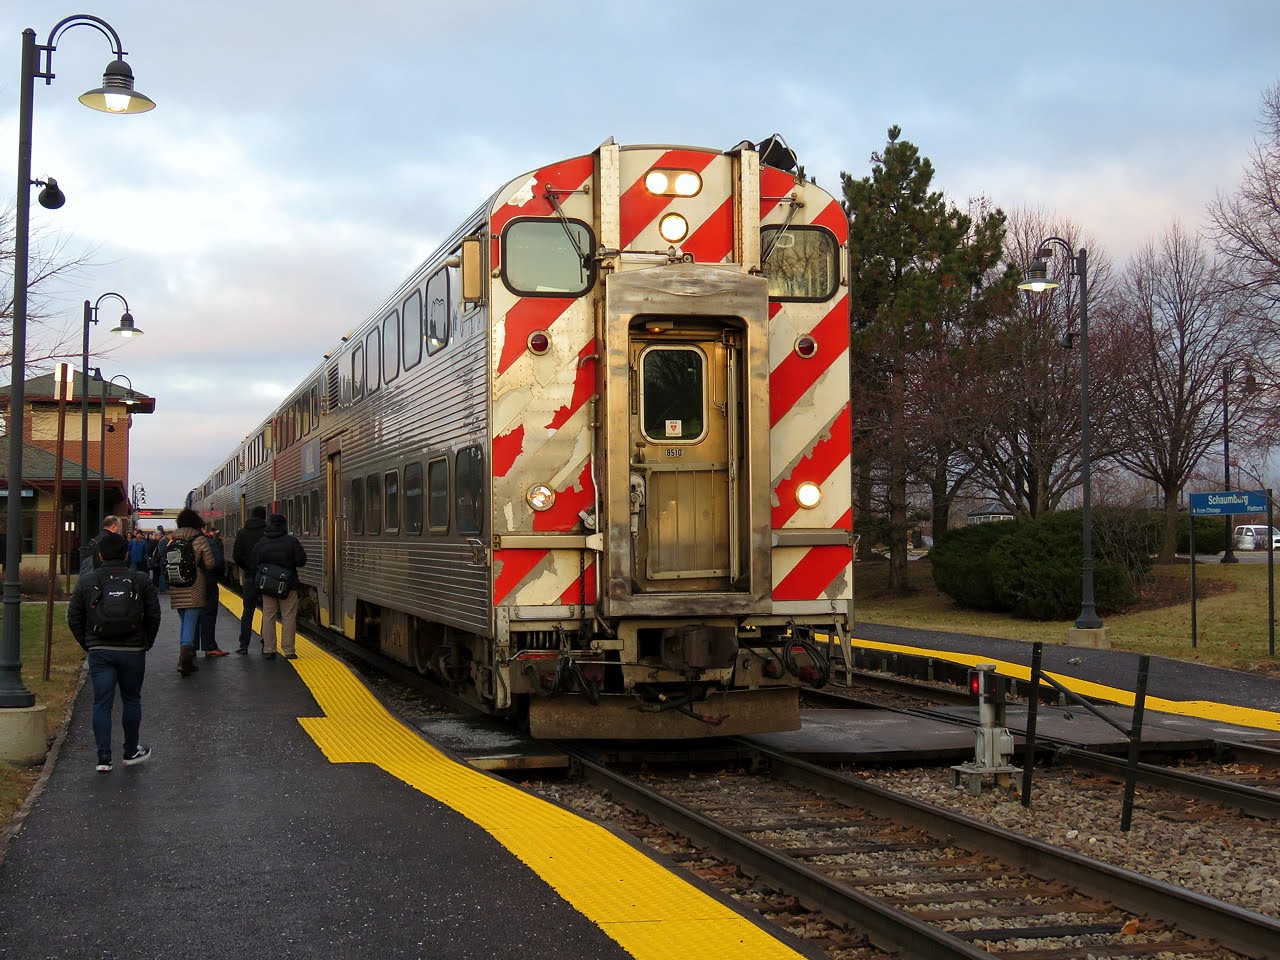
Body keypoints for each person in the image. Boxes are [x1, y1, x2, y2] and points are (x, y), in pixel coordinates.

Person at [67, 531, 161, 772]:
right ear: (127, 553)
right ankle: (130, 751)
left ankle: (103, 758)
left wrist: (88, 643)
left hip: (100, 650)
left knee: (102, 702)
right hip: (133, 650)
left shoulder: (87, 581)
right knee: (131, 699)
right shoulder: (140, 580)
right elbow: (153, 615)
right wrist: (146, 642)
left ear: (100, 555)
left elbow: (74, 616)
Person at [165, 508, 217, 676]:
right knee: (190, 622)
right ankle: (185, 661)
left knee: (185, 622)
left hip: (176, 584)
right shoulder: (199, 539)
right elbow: (210, 564)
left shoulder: (172, 538)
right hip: (194, 584)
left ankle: (186, 656)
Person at [249, 513, 307, 660]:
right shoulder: (291, 541)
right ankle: (289, 650)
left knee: (268, 615)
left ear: (270, 524)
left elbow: (253, 562)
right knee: (288, 616)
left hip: (267, 586)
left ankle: (269, 649)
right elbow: (301, 561)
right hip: (287, 585)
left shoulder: (261, 542)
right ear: (284, 525)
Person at [231, 506, 268, 654]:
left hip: (250, 577)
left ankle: (243, 645)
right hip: (266, 577)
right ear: (264, 517)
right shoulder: (267, 533)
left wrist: (246, 567)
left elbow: (236, 556)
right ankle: (266, 642)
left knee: (247, 611)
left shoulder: (242, 533)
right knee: (268, 611)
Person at [197, 521, 228, 657]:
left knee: (190, 616)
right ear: (203, 529)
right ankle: (209, 646)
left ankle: (189, 648)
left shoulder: (179, 542)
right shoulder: (209, 542)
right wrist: (217, 578)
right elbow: (218, 563)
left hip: (187, 585)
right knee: (208, 614)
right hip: (207, 582)